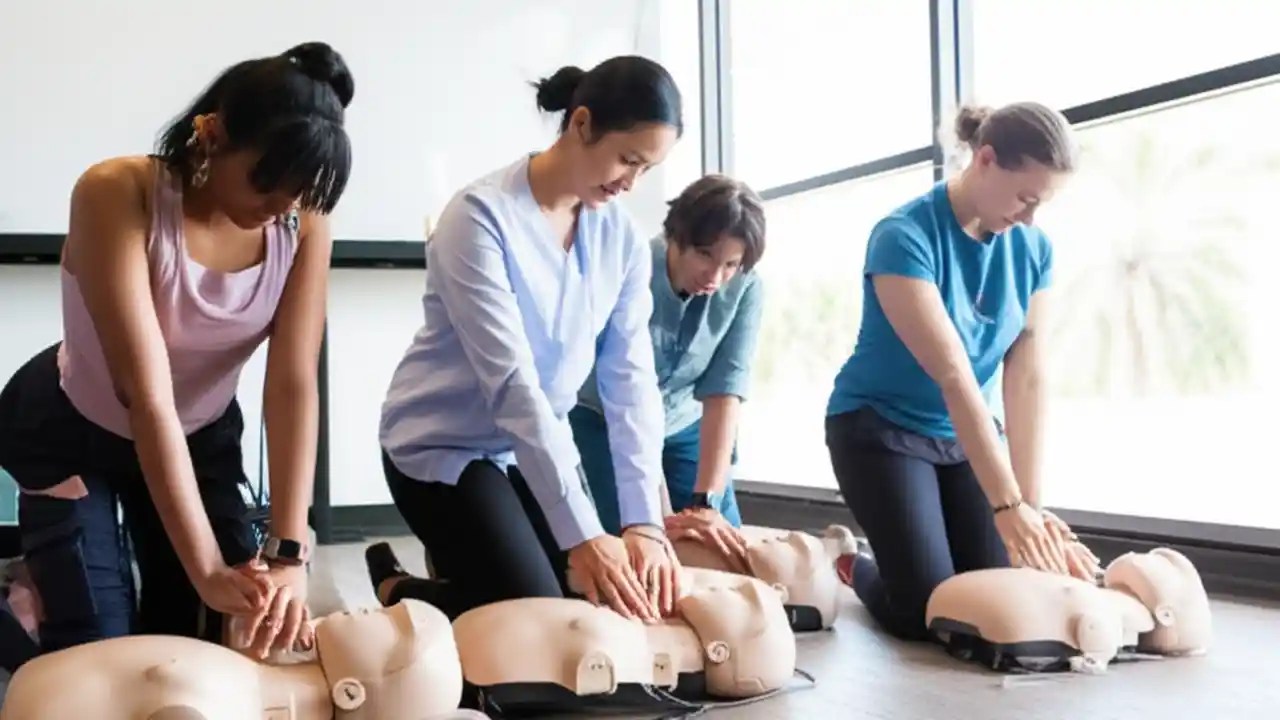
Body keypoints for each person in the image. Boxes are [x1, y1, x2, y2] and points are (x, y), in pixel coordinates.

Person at [0, 42, 354, 659]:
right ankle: (26, 600)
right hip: (80, 432)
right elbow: (148, 396)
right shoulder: (117, 191)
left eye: (298, 195)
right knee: (100, 653)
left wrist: (288, 552)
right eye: (268, 185)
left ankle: (52, 583)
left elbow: (293, 380)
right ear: (211, 135)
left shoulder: (300, 221)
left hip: (200, 439)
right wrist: (209, 570)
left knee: (191, 642)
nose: (283, 211)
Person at [367, 56, 685, 625]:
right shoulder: (478, 218)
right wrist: (586, 534)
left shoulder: (623, 239)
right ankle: (399, 592)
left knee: (585, 600)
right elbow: (514, 385)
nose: (630, 182)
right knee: (536, 616)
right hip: (444, 448)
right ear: (581, 124)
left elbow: (631, 385)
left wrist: (644, 523)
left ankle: (455, 574)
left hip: (525, 453)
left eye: (647, 169)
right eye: (627, 159)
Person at [825, 102, 1096, 642]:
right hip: (881, 431)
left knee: (998, 591)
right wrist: (1007, 504)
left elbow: (1027, 377)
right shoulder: (903, 237)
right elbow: (954, 375)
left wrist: (1031, 510)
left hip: (965, 438)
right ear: (986, 159)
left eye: (1043, 205)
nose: (1029, 218)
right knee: (928, 608)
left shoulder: (1034, 248)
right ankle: (853, 562)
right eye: (1025, 198)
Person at [569, 174, 766, 571]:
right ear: (676, 235)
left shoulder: (746, 287)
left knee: (724, 549)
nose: (716, 276)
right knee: (640, 551)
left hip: (684, 424)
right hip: (605, 418)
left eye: (731, 264)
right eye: (705, 255)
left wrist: (705, 501)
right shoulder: (630, 270)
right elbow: (629, 399)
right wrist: (655, 520)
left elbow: (725, 390)